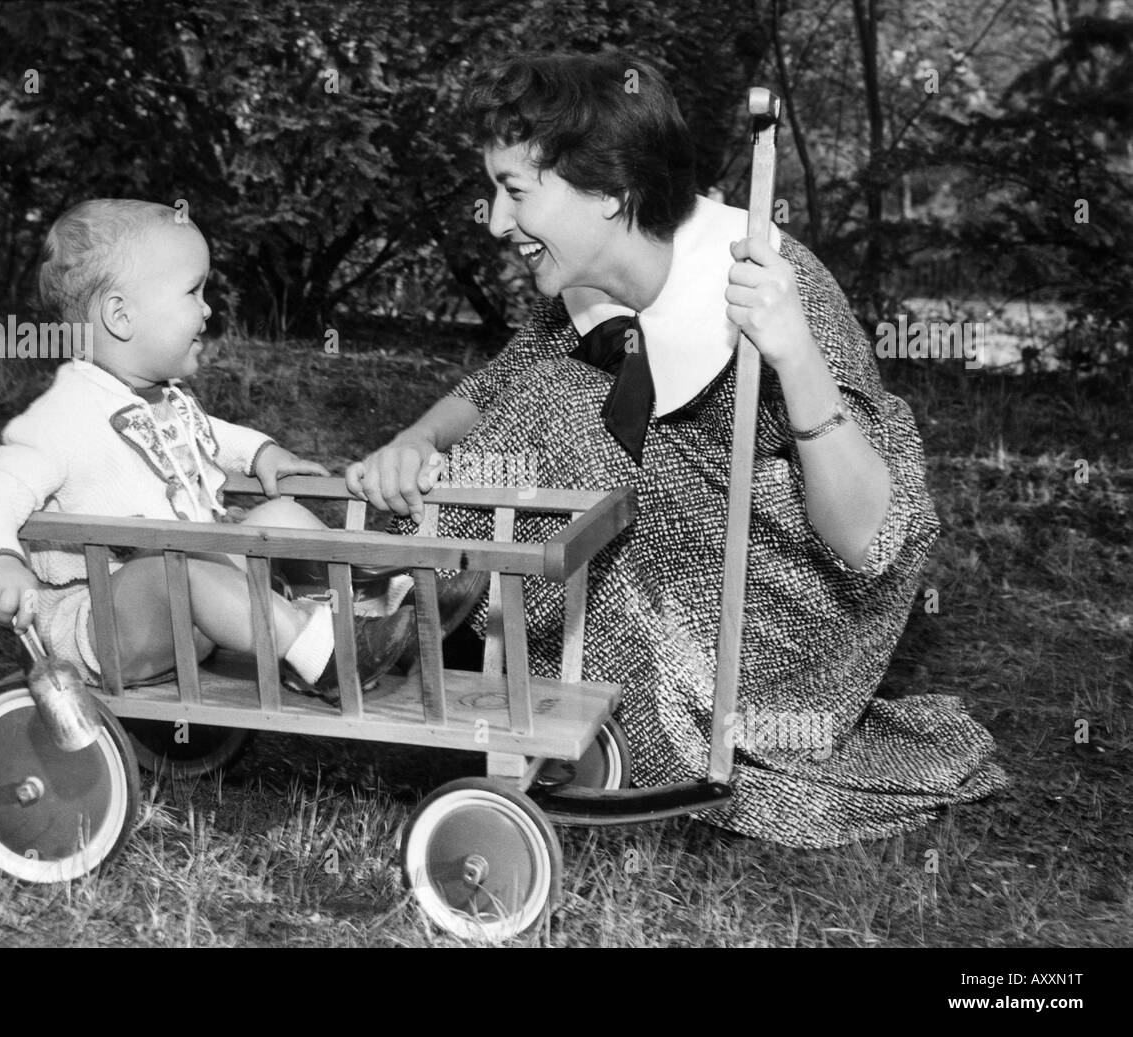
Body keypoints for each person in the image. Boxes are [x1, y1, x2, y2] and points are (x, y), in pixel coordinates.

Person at [347, 53, 1007, 848]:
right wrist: (414, 442)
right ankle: (413, 605)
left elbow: (868, 540)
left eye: (516, 192)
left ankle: (395, 615)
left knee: (565, 411)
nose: (492, 221)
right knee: (552, 395)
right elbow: (492, 387)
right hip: (645, 544)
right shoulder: (591, 279)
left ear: (611, 193)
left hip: (767, 600)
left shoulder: (769, 282)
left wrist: (795, 355)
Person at [0, 198, 423, 696]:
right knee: (177, 562)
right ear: (121, 315)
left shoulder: (164, 400)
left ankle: (372, 600)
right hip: (107, 628)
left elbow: (213, 435)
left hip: (193, 606)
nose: (208, 308)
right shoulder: (62, 417)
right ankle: (317, 653)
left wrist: (261, 453)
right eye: (192, 291)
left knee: (276, 515)